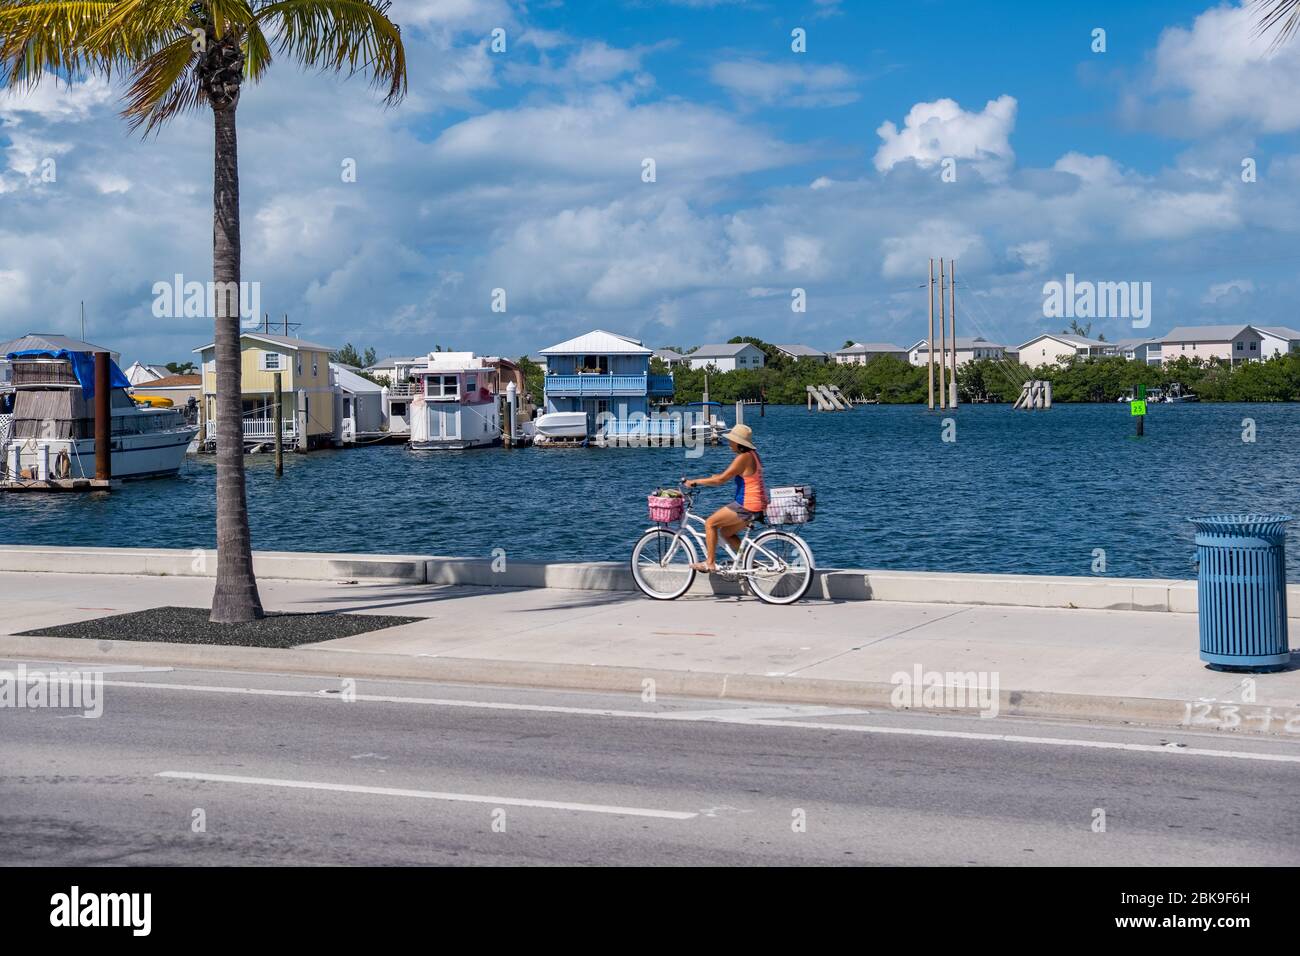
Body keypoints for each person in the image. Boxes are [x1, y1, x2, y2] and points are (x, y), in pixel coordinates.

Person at [683, 423, 767, 572]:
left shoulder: (743, 458)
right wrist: (716, 477)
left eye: (731, 440)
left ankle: (710, 563)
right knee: (726, 533)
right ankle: (749, 562)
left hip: (747, 504)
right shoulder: (753, 455)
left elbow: (720, 480)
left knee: (710, 523)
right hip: (758, 504)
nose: (729, 442)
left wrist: (695, 481)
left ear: (738, 443)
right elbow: (735, 476)